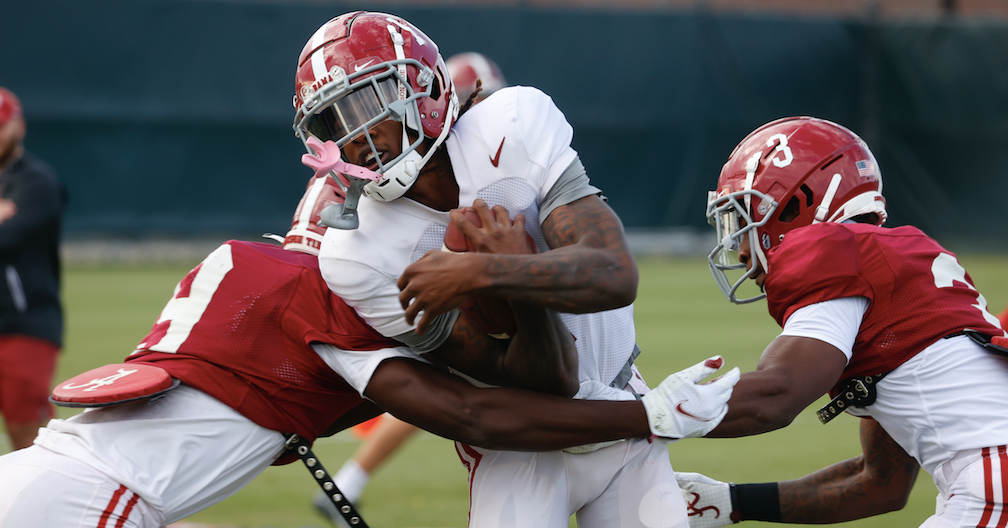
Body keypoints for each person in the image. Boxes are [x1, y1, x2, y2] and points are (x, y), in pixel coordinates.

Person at [0, 174, 736, 527]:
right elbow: (480, 416)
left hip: (41, 475)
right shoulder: (330, 300)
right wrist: (648, 416)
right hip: (92, 503)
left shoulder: (247, 266)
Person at [292, 11, 736, 528]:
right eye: (334, 122)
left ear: (423, 87)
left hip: (624, 413)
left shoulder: (512, 123)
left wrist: (485, 272)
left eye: (366, 104)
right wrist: (511, 271)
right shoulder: (355, 254)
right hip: (519, 452)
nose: (357, 136)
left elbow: (613, 275)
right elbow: (547, 383)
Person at [673, 116, 1008, 528]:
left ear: (798, 201)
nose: (740, 249)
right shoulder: (894, 282)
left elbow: (777, 395)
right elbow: (878, 483)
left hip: (993, 480)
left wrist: (640, 415)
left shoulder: (835, 251)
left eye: (744, 219)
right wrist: (730, 502)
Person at [315, 49, 513, 524]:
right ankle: (350, 480)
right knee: (443, 382)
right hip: (363, 281)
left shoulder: (505, 134)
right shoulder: (363, 235)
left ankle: (349, 481)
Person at [0, 86, 67, 451]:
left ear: (17, 127)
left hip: (23, 324)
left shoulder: (37, 182)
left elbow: (7, 239)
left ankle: (74, 502)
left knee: (31, 434)